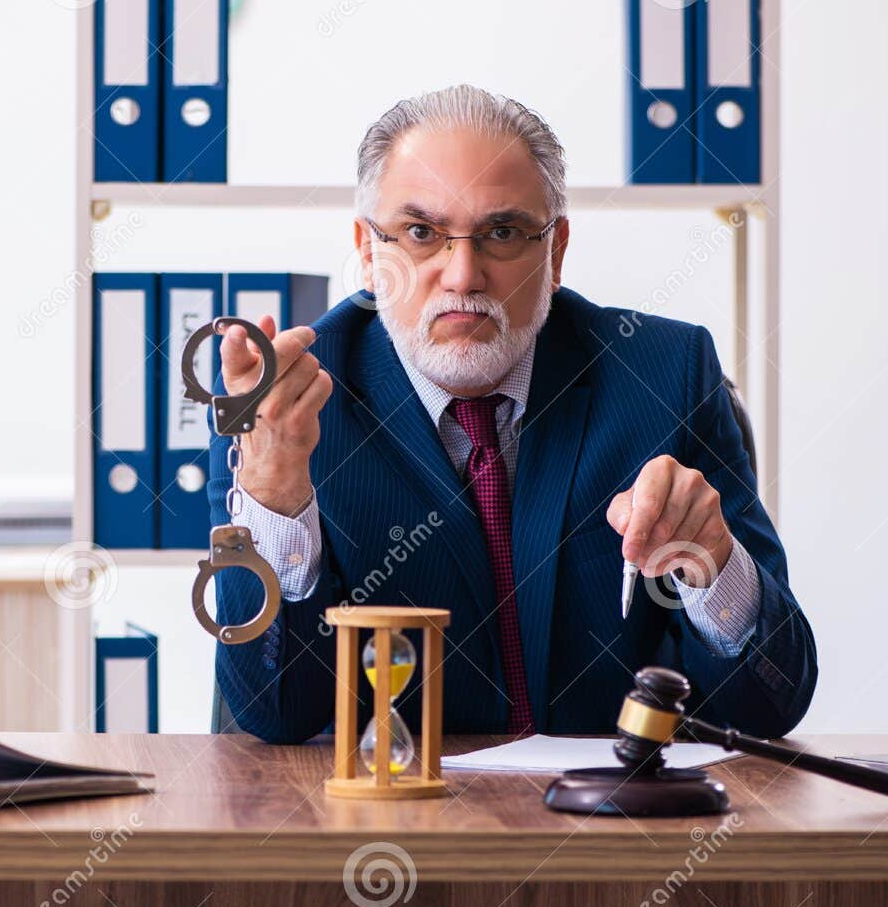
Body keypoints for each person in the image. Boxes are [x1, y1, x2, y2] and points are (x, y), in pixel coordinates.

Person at [209, 83, 815, 742]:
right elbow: (273, 715)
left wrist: (714, 567)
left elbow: (772, 705)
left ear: (554, 252)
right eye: (420, 233)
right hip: (387, 823)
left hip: (615, 827)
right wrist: (272, 493)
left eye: (501, 232)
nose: (463, 275)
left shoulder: (665, 377)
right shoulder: (281, 414)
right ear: (366, 251)